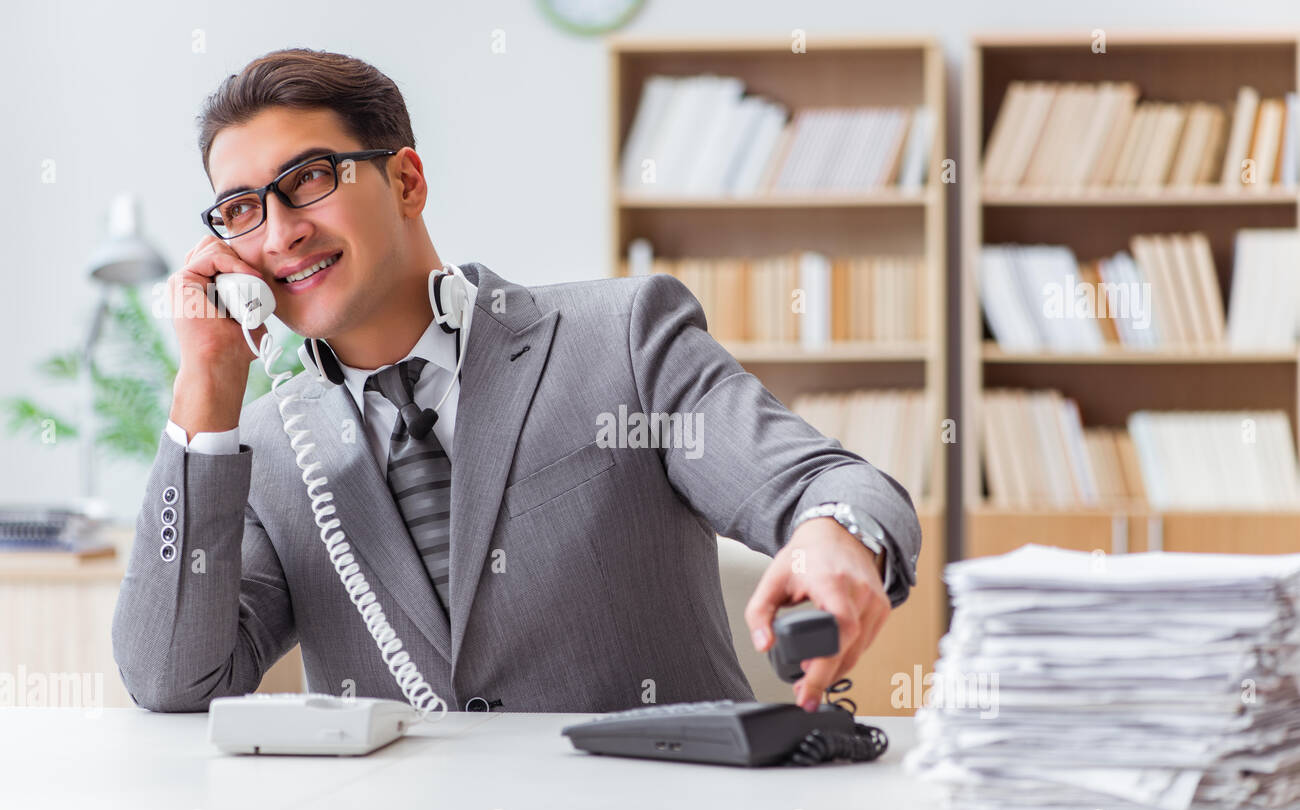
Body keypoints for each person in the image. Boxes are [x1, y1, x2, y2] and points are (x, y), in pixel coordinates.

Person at [111, 48, 921, 715]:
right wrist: (207, 386)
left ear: (405, 183)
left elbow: (830, 483)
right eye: (241, 209)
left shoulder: (623, 338)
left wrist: (836, 534)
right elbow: (170, 681)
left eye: (311, 178)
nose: (282, 231)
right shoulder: (260, 450)